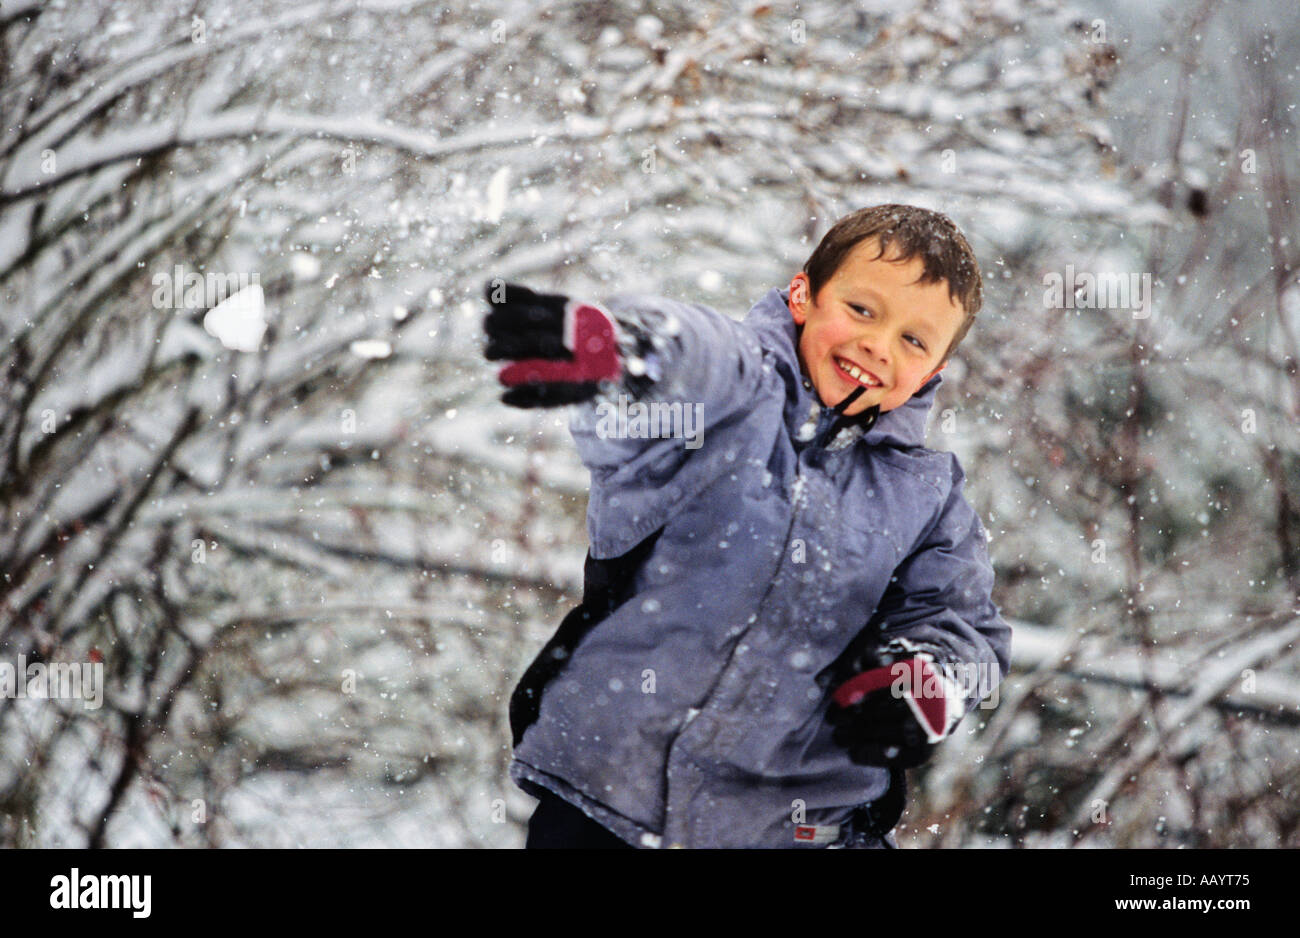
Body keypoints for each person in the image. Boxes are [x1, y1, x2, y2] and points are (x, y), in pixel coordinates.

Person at [482, 203, 1012, 848]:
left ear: (932, 372)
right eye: (863, 310)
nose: (878, 344)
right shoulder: (736, 397)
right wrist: (626, 352)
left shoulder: (927, 496)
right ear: (803, 295)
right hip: (610, 800)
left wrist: (920, 684)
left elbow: (961, 623)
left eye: (913, 340)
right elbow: (698, 358)